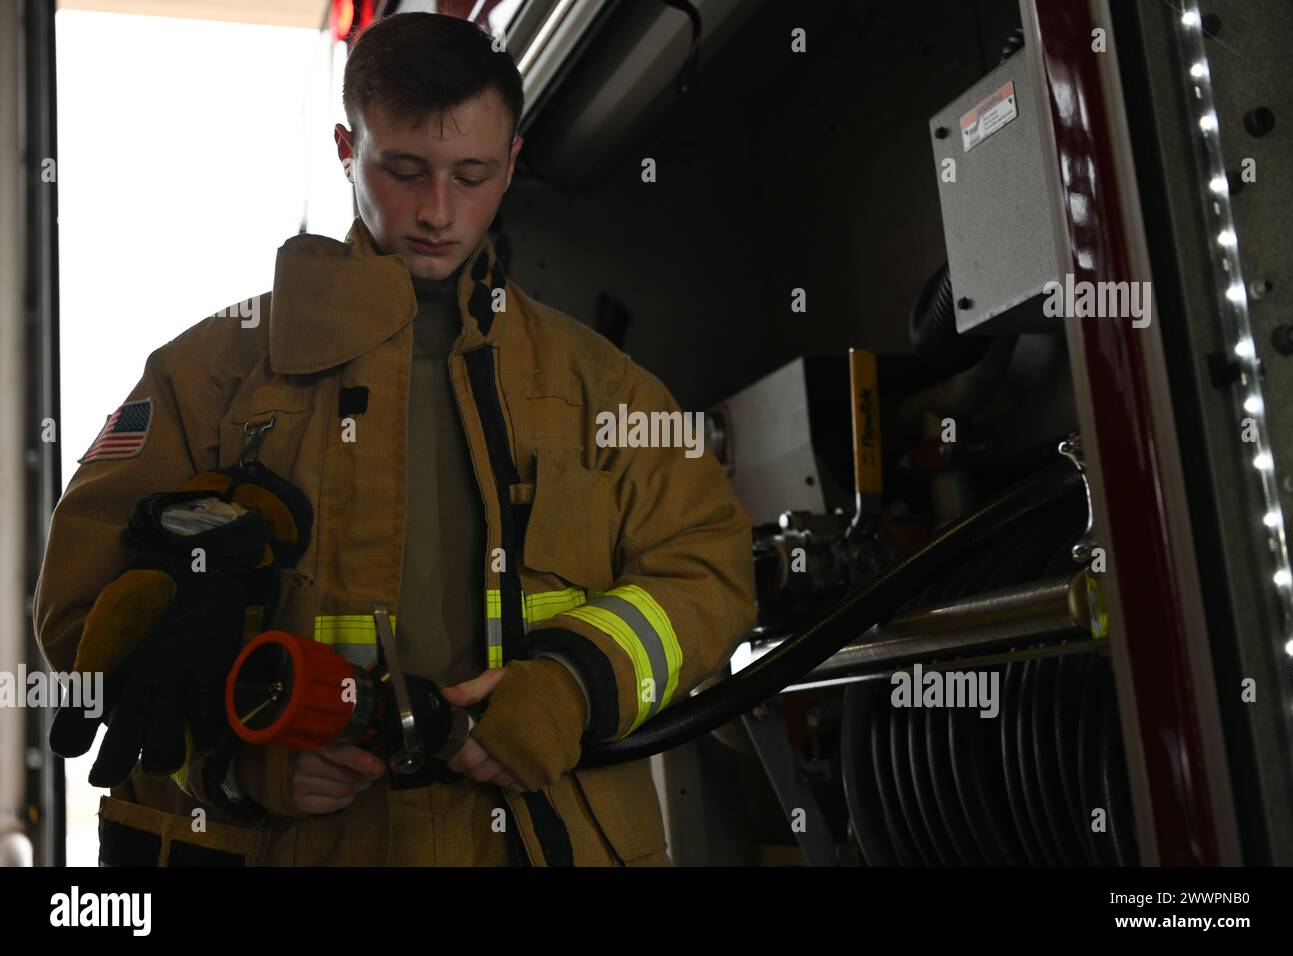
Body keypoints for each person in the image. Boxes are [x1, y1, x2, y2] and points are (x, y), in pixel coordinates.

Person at [33, 11, 755, 867]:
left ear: (514, 161)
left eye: (474, 174)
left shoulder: (602, 387)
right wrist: (242, 756)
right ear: (346, 147)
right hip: (310, 843)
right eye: (403, 169)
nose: (438, 212)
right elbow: (87, 613)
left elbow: (709, 568)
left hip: (533, 838)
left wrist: (572, 684)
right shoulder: (207, 376)